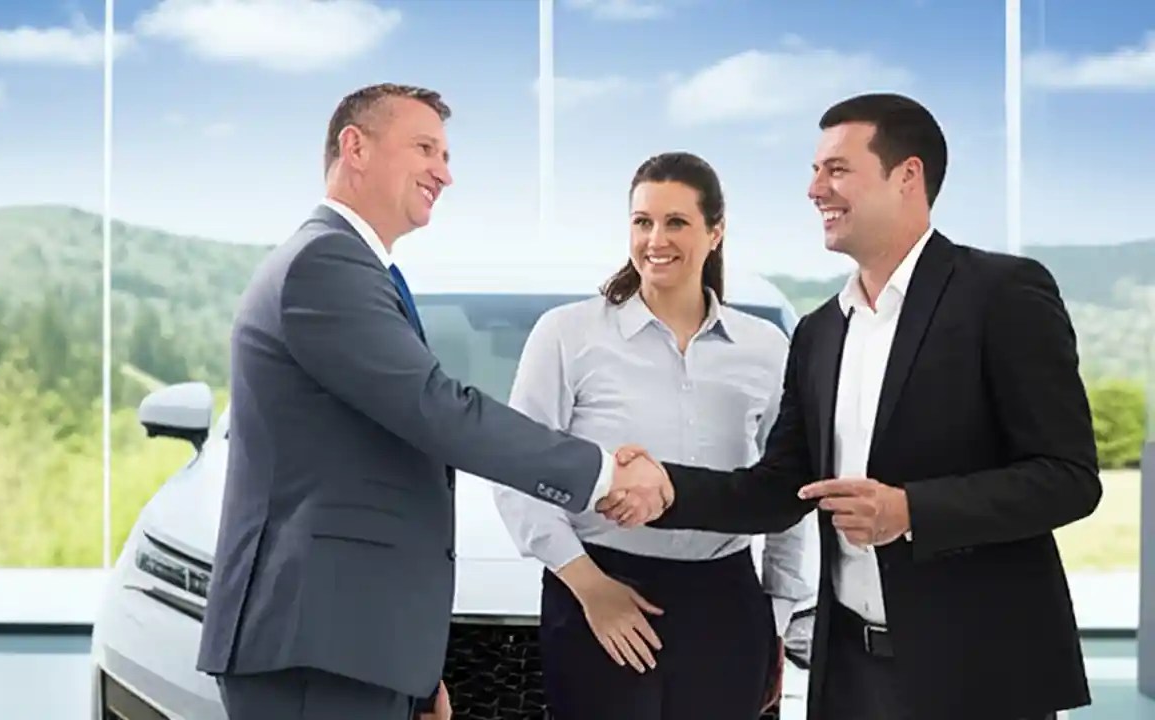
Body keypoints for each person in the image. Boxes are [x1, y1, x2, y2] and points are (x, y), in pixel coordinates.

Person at [601, 93, 1101, 720]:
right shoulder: (819, 332)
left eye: (836, 169)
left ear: (907, 176)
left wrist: (909, 510)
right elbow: (783, 489)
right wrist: (667, 490)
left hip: (979, 678)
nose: (815, 189)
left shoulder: (1001, 295)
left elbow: (1068, 478)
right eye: (815, 170)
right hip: (851, 678)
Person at [194, 83, 673, 720]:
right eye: (426, 148)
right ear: (355, 147)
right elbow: (435, 408)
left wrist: (410, 676)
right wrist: (603, 472)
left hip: (355, 646)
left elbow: (386, 438)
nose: (444, 173)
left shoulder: (353, 267)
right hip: (316, 645)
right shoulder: (325, 264)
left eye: (446, 155)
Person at [492, 151, 815, 720]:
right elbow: (518, 472)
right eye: (642, 221)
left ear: (715, 232)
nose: (655, 239)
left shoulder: (767, 349)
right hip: (600, 585)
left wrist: (777, 619)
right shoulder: (568, 335)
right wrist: (590, 588)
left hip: (726, 605)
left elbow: (787, 490)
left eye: (676, 222)